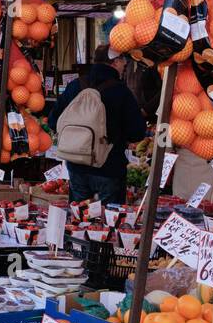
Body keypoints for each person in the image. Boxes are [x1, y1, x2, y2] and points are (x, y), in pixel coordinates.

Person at [49, 44, 147, 204]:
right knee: (109, 221)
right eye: (123, 60)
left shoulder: (75, 85)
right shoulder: (121, 91)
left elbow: (54, 121)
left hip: (76, 165)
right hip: (109, 168)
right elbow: (136, 132)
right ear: (114, 62)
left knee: (79, 220)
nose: (125, 64)